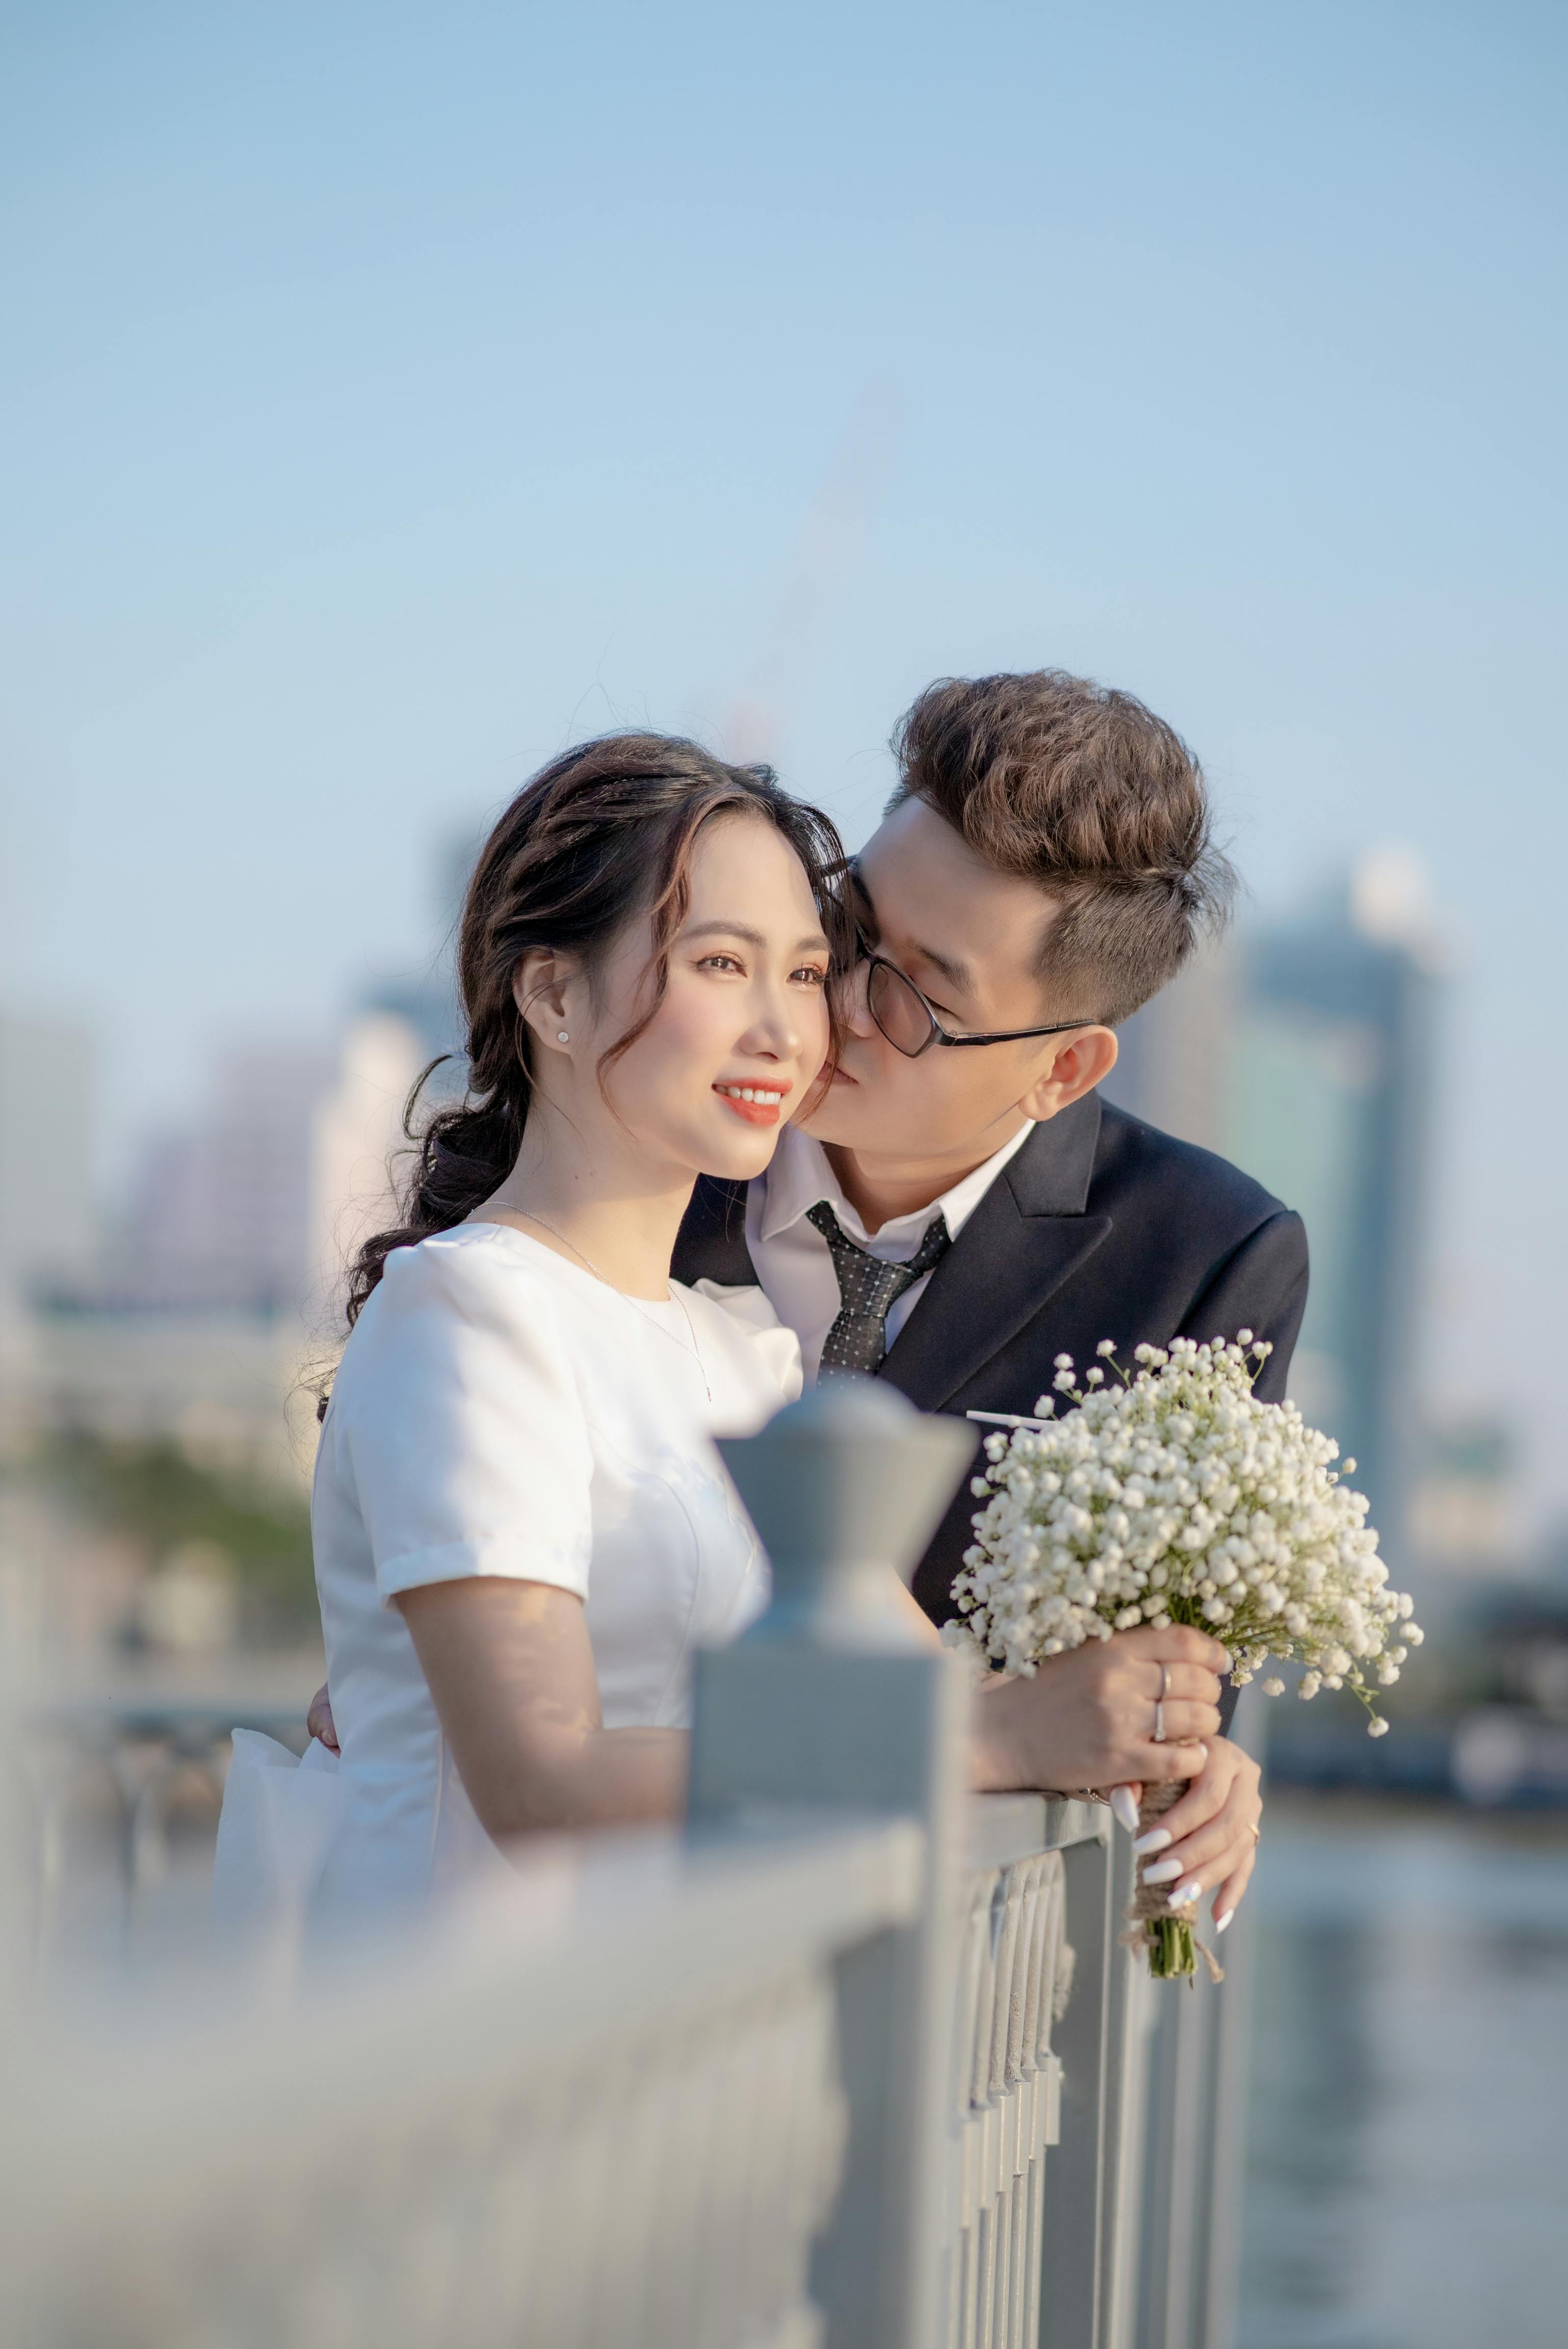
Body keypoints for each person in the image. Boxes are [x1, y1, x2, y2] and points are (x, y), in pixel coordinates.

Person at [246, 729, 1232, 1940]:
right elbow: (538, 1778)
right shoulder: (469, 1312)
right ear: (552, 993)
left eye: (807, 972)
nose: (790, 1032)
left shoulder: (746, 1353)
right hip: (468, 2051)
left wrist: (1163, 1741)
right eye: (721, 963)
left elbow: (944, 1692)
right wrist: (987, 1737)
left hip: (676, 2056)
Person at [670, 670, 1302, 1929]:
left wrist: (1182, 1748)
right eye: (846, 928)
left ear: (1060, 1069)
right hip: (596, 1884)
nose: (835, 1007)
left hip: (937, 1965)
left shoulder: (1203, 1257)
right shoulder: (661, 1129)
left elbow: (1145, 1699)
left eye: (917, 995)